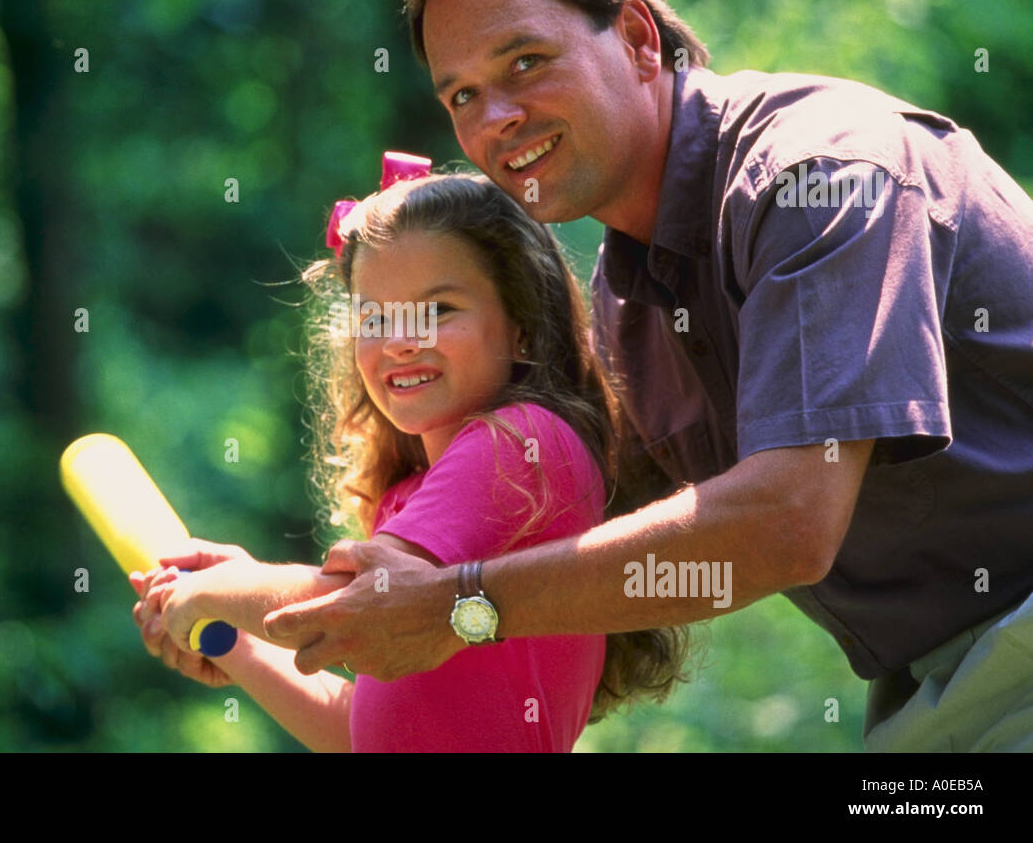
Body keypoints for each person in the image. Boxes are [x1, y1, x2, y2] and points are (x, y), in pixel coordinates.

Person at [260, 0, 1033, 752]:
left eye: (523, 63)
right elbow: (572, 554)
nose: (493, 119)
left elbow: (786, 523)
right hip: (937, 689)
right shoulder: (627, 303)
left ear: (636, 38)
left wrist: (458, 606)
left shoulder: (822, 176)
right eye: (462, 94)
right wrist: (245, 609)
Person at [131, 156, 687, 752]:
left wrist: (208, 594)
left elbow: (349, 600)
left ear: (523, 322)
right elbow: (369, 734)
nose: (400, 341)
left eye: (438, 310)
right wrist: (236, 641)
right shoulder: (406, 499)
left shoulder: (522, 443)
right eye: (375, 317)